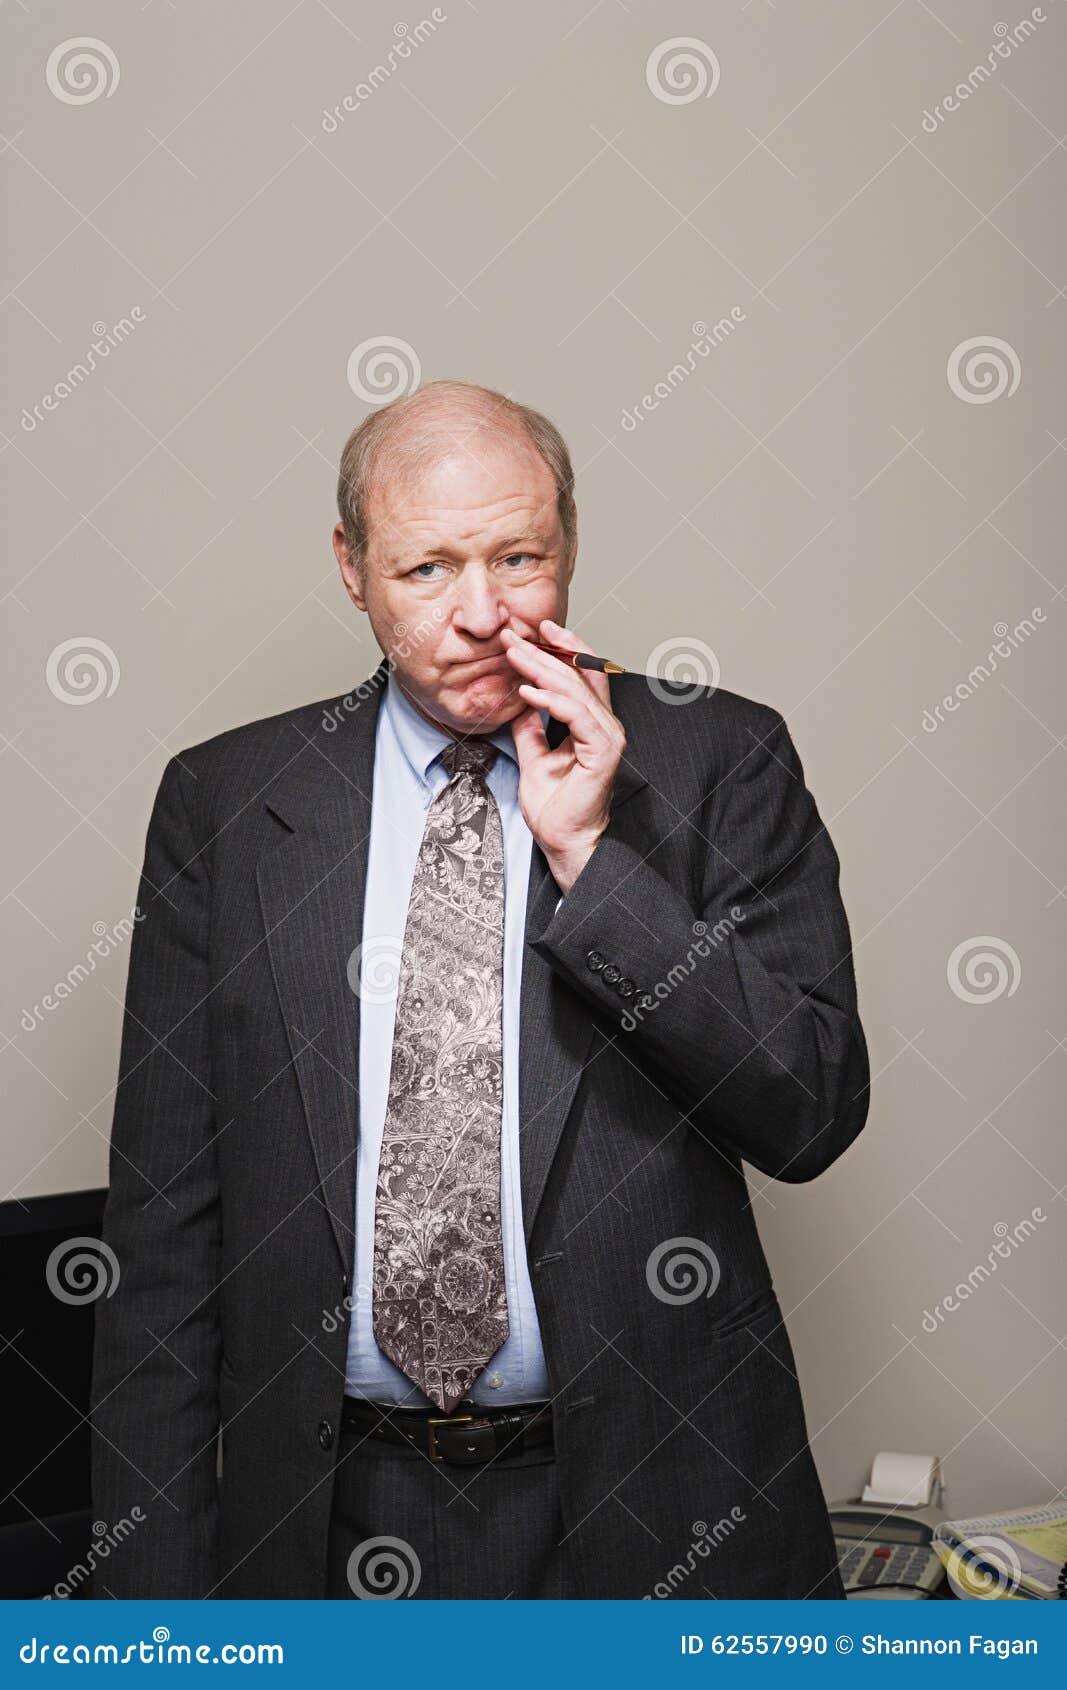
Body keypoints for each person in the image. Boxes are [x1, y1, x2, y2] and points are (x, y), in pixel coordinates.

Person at [89, 379, 870, 1599]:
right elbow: (164, 1237)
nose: (479, 615)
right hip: (328, 1513)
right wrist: (148, 1615)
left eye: (518, 557)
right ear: (351, 567)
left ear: (569, 545)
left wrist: (591, 862)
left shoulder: (720, 759)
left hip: (661, 1501)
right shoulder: (228, 805)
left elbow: (809, 1112)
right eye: (425, 570)